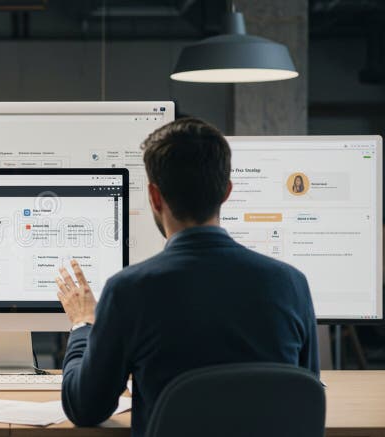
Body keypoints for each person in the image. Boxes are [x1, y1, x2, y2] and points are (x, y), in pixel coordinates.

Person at [56, 118, 319, 436]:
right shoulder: (291, 284)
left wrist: (84, 324)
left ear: (154, 197)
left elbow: (85, 408)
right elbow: (305, 393)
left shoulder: (129, 291)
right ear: (226, 191)